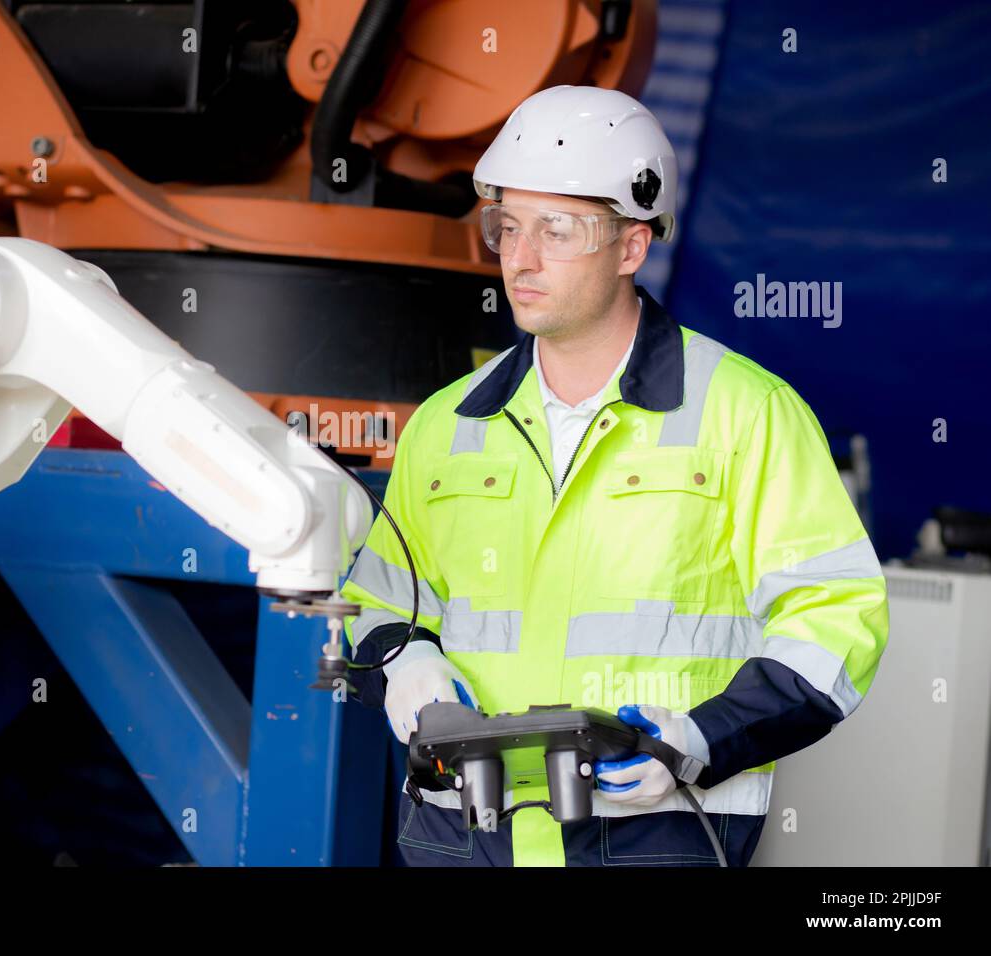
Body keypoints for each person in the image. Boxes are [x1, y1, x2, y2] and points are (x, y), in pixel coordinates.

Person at [339, 85, 888, 867]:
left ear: (631, 247)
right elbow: (375, 606)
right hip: (461, 837)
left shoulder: (747, 414)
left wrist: (700, 738)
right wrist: (405, 661)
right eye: (507, 226)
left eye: (555, 231)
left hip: (650, 837)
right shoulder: (445, 423)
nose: (519, 259)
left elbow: (837, 623)